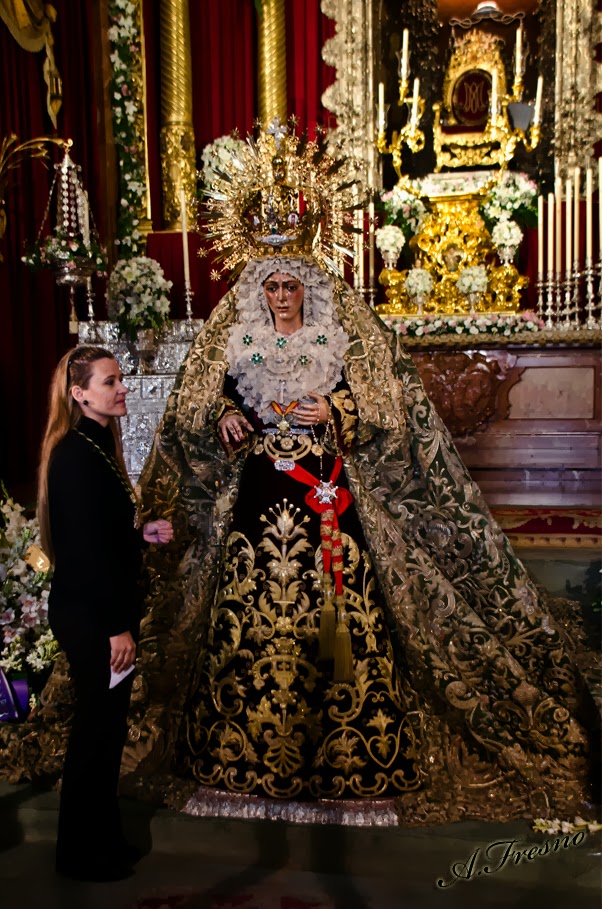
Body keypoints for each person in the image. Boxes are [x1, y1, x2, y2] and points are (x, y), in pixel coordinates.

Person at [36, 345, 173, 881]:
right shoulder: (74, 453)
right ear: (79, 393)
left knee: (107, 731)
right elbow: (82, 553)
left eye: (120, 379)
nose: (123, 389)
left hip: (100, 609)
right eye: (110, 381)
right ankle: (80, 854)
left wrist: (141, 534)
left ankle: (103, 842)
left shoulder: (96, 446)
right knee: (96, 733)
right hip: (93, 616)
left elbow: (101, 532)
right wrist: (115, 627)